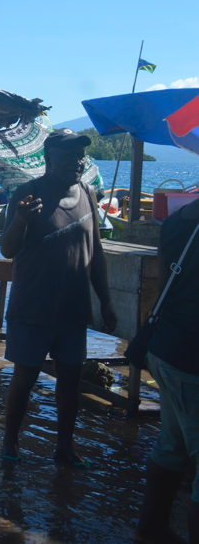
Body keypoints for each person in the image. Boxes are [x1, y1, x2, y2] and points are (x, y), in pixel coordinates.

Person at [0, 128, 116, 467]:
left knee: (69, 382)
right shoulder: (29, 193)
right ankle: (10, 443)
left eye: (80, 156)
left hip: (73, 310)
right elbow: (7, 249)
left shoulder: (87, 193)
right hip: (32, 309)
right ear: (48, 158)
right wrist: (20, 220)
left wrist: (106, 301)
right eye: (68, 155)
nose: (76, 162)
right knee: (25, 379)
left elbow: (96, 252)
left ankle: (64, 447)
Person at [135, 197, 199, 544]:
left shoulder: (176, 222)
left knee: (172, 445)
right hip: (192, 361)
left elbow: (163, 288)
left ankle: (151, 528)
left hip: (165, 350)